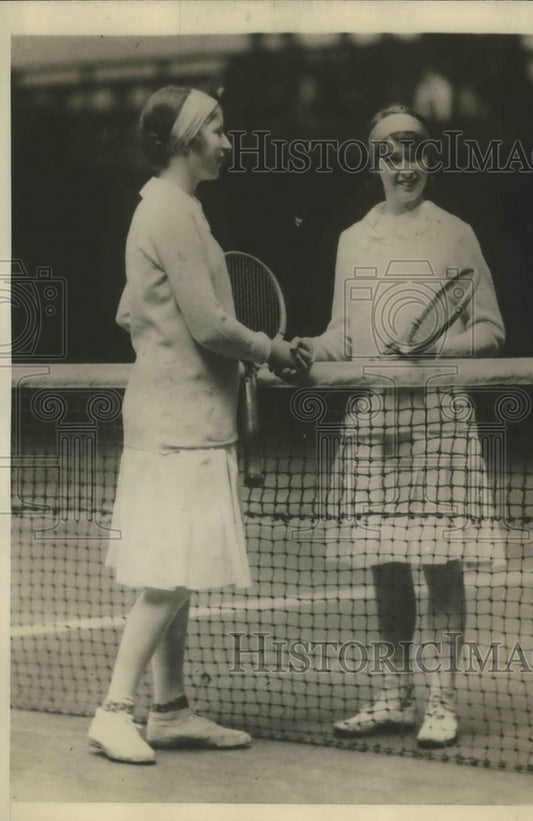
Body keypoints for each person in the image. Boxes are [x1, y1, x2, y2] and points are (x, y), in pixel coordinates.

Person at [88, 86, 299, 764]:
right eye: (217, 128)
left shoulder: (167, 210)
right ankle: (114, 709)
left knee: (174, 571)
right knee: (169, 575)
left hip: (181, 417)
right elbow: (209, 324)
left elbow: (129, 311)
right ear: (184, 140)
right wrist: (268, 349)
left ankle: (170, 708)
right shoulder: (173, 215)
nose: (228, 141)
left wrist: (169, 338)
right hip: (177, 424)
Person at [288, 104, 505, 748]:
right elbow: (342, 336)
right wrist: (304, 348)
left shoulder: (456, 233)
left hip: (437, 418)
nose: (405, 164)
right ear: (376, 160)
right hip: (375, 419)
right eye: (392, 152)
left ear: (429, 158)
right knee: (384, 562)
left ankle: (440, 701)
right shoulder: (353, 240)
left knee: (439, 561)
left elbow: (492, 331)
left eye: (415, 151)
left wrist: (435, 350)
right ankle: (392, 695)